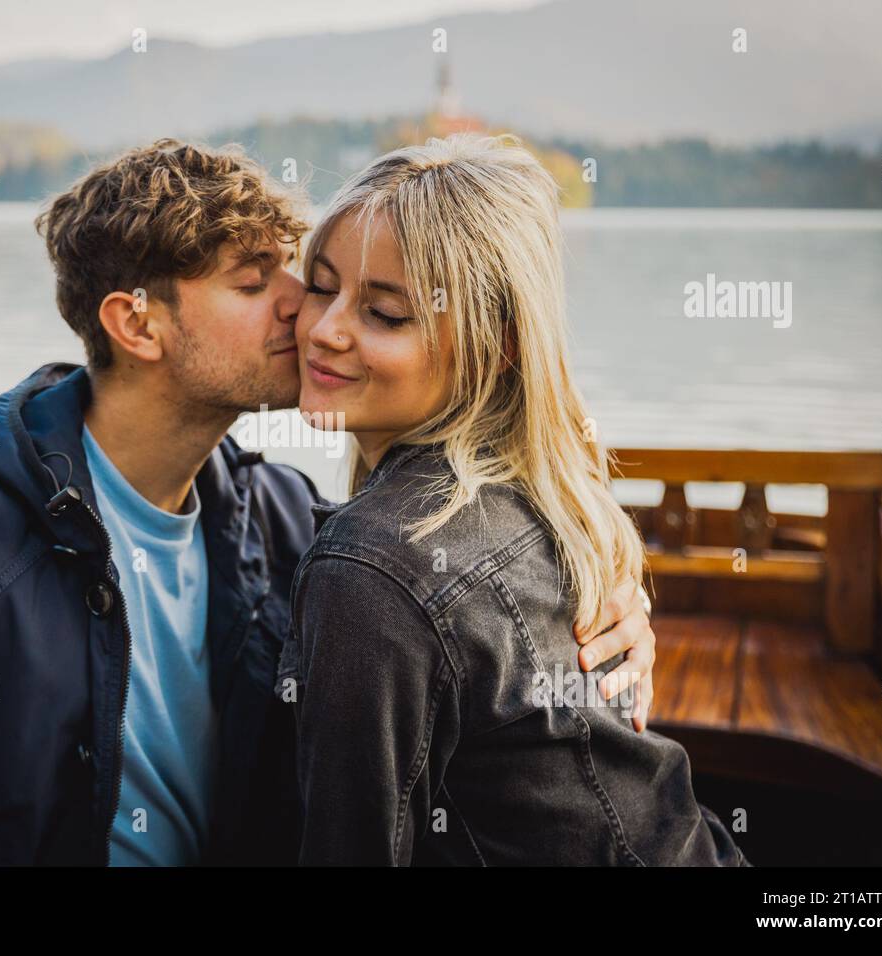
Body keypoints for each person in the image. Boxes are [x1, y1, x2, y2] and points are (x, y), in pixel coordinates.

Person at [0, 139, 655, 866]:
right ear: (137, 322)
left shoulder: (283, 523)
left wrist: (618, 581)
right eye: (258, 281)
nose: (304, 310)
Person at [283, 133, 744, 866]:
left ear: (495, 344)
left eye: (385, 314)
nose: (324, 330)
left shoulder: (373, 569)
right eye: (321, 285)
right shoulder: (548, 490)